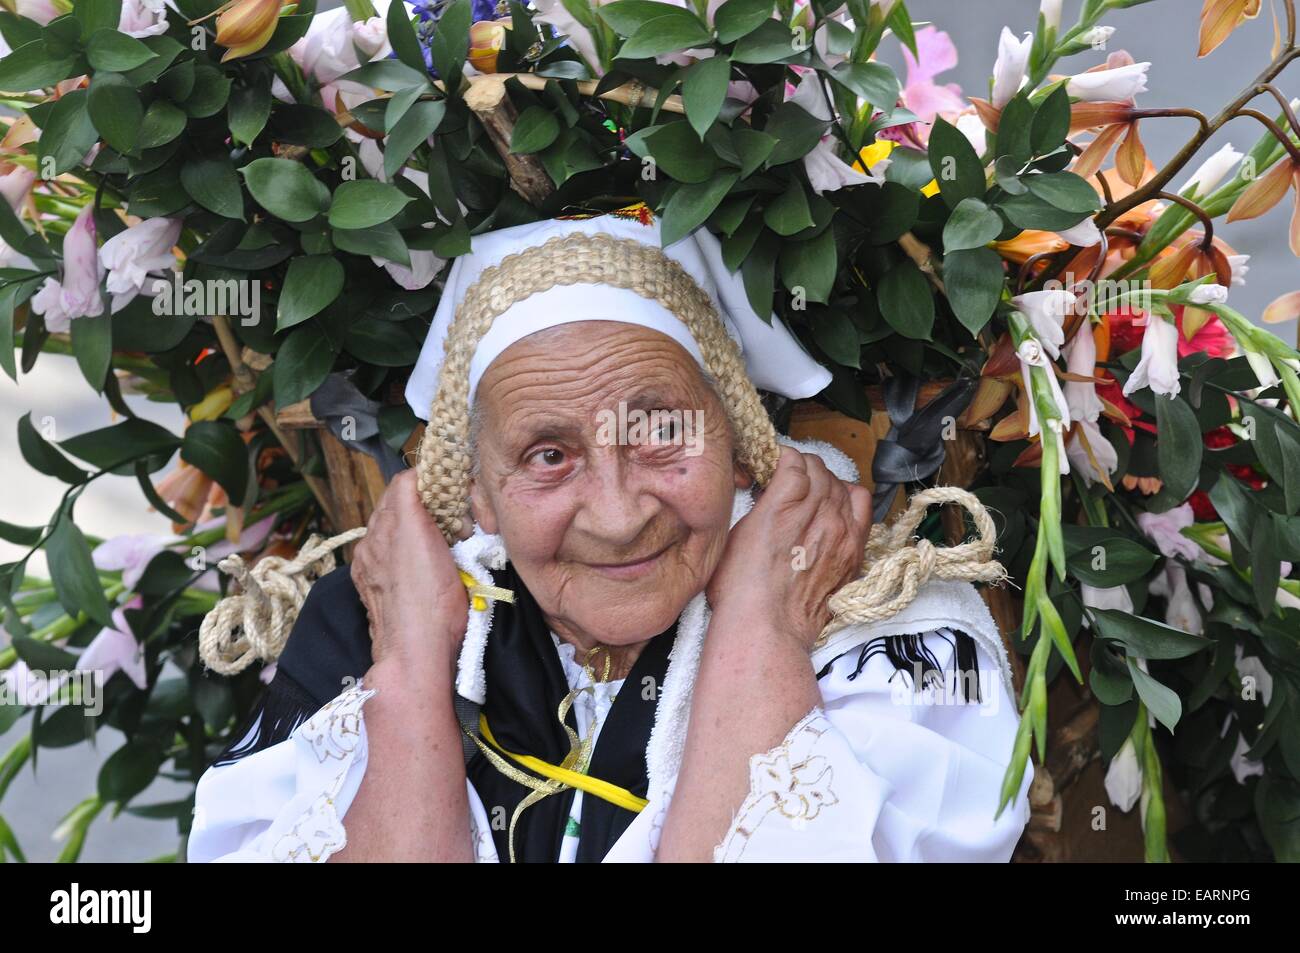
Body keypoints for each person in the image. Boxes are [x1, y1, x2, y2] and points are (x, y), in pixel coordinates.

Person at [187, 204, 1031, 863]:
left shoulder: (876, 616)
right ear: (479, 493)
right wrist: (409, 669)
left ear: (740, 444)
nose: (621, 514)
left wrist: (761, 630)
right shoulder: (373, 623)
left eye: (662, 431)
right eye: (549, 454)